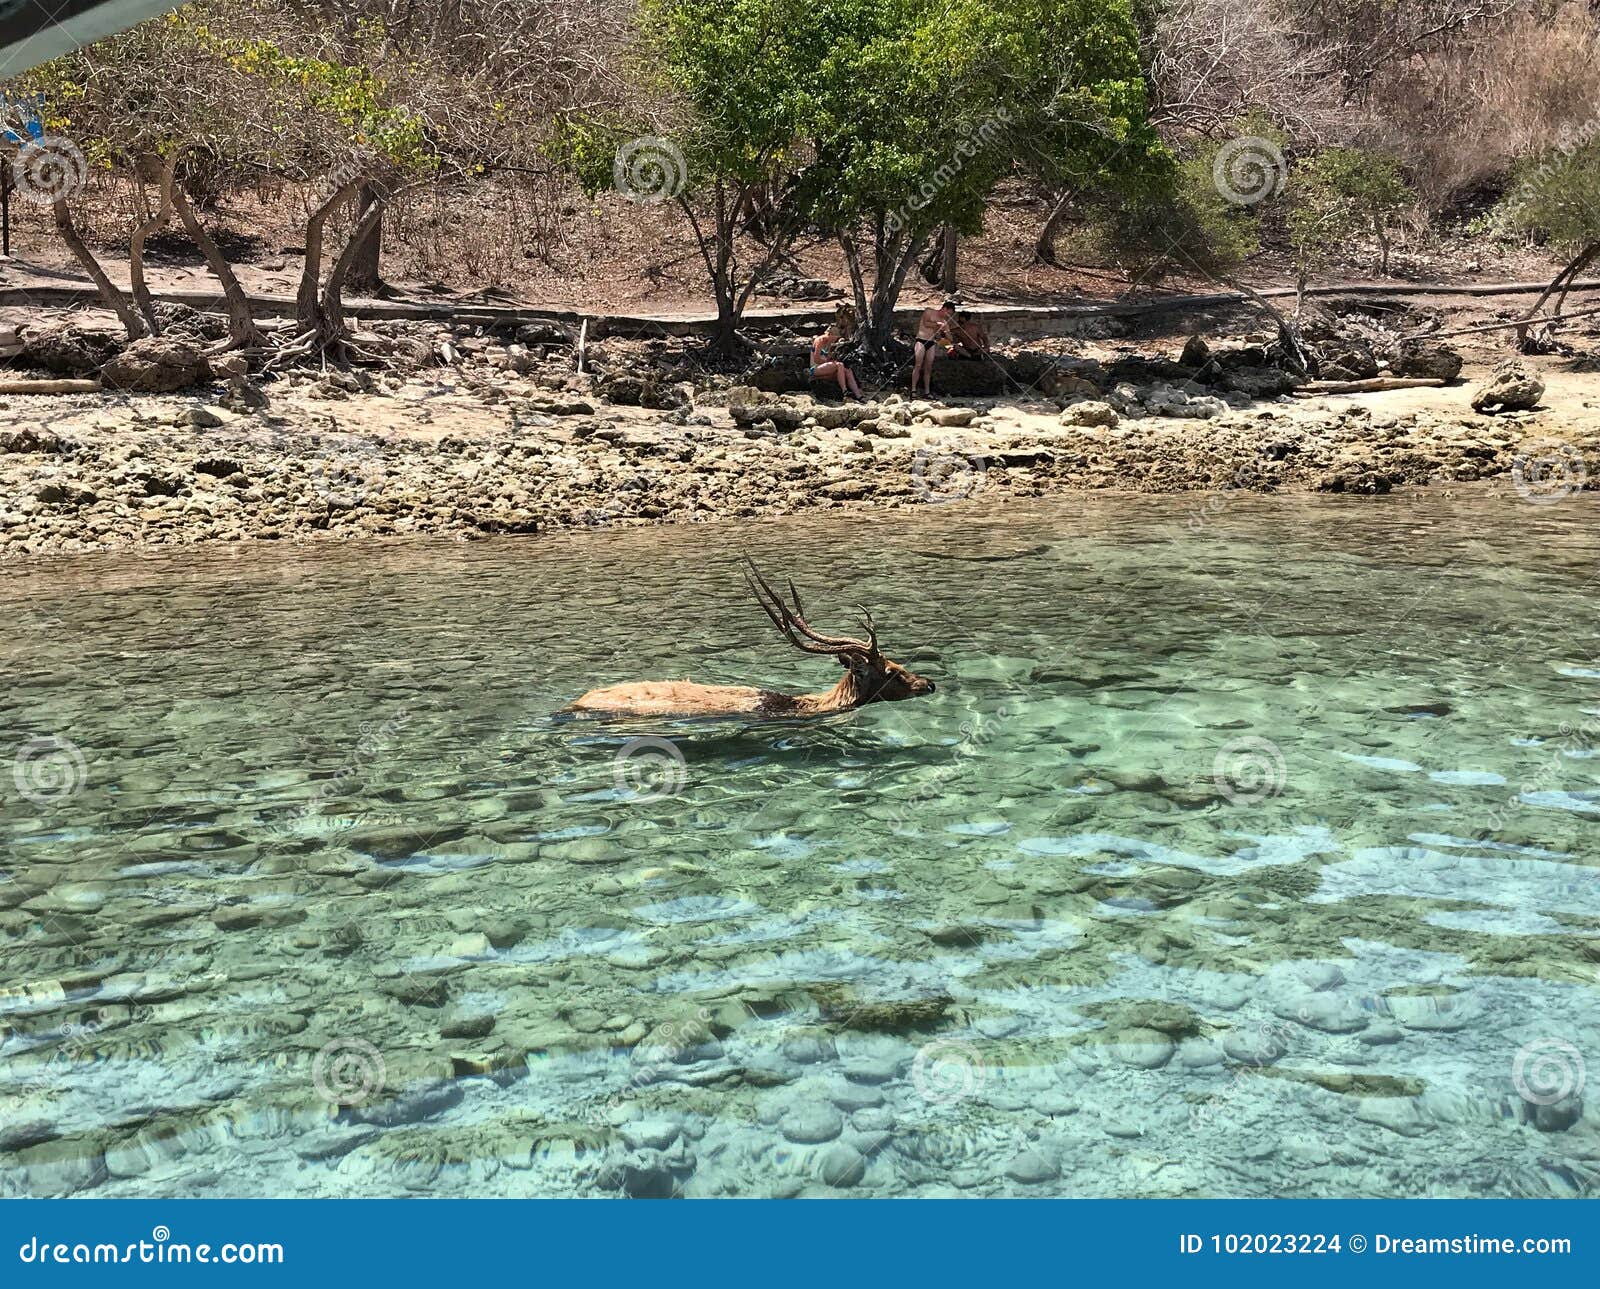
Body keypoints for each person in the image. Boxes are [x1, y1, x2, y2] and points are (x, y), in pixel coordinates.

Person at [912, 299, 956, 395]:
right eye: (948, 313)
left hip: (931, 342)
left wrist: (946, 331)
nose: (948, 316)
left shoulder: (944, 322)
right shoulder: (929, 311)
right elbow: (926, 323)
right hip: (921, 340)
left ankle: (927, 392)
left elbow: (950, 338)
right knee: (918, 364)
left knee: (928, 367)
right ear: (944, 309)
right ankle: (913, 390)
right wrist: (937, 325)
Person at [809, 323, 863, 400]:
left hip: (827, 368)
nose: (834, 340)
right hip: (815, 369)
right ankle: (844, 390)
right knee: (839, 365)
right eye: (834, 338)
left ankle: (858, 395)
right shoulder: (819, 341)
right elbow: (816, 359)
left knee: (848, 370)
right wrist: (828, 360)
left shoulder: (830, 344)